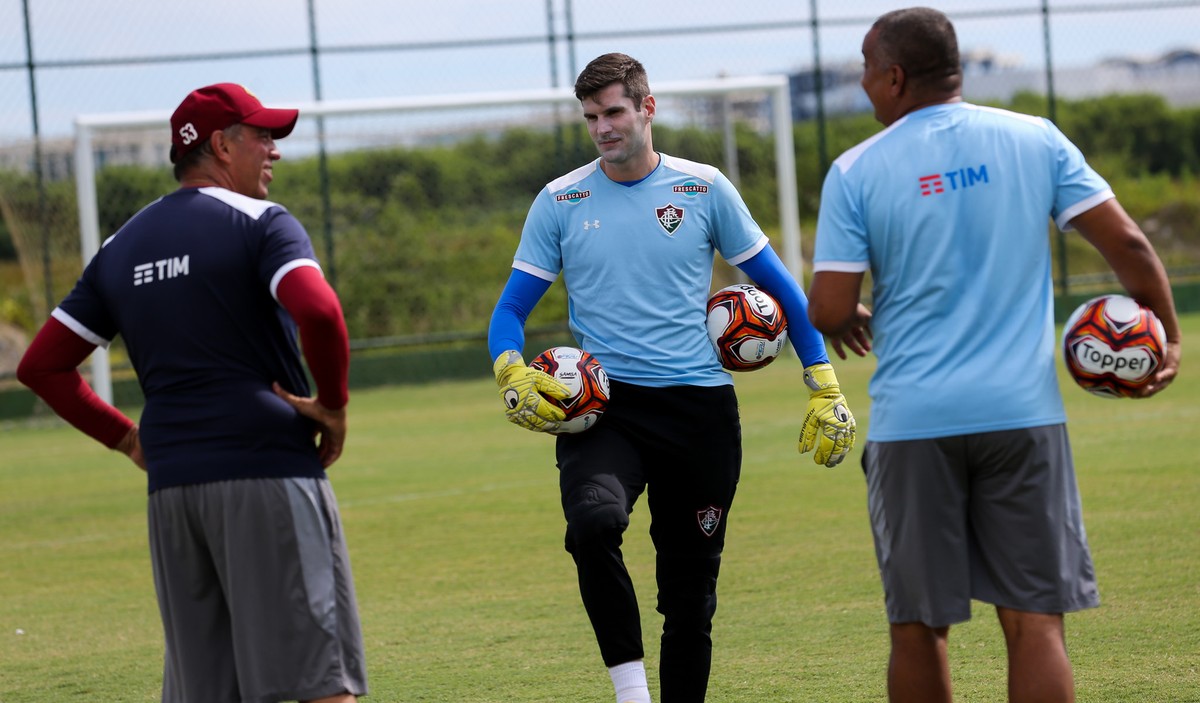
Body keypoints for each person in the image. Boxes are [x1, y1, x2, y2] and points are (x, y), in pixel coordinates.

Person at [806, 8, 1182, 703]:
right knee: (1035, 620)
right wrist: (1167, 332)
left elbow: (828, 309)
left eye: (864, 66)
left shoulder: (855, 170)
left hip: (914, 421)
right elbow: (1127, 243)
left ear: (893, 77)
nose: (861, 81)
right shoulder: (1033, 138)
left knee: (917, 625)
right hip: (1023, 415)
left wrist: (853, 314)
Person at [487, 53, 857, 703]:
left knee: (690, 597)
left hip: (701, 413)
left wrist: (823, 382)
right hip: (607, 408)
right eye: (591, 116)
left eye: (614, 112)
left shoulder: (704, 187)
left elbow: (783, 292)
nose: (602, 127)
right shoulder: (560, 200)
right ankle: (632, 693)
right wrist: (510, 368)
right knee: (592, 526)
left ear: (646, 107)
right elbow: (510, 310)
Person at [17, 83, 368, 703]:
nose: (273, 151)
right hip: (267, 472)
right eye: (262, 136)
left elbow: (43, 366)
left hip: (172, 488)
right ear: (219, 145)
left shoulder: (119, 248)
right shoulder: (264, 222)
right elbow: (320, 312)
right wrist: (333, 407)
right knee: (317, 684)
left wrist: (128, 439)